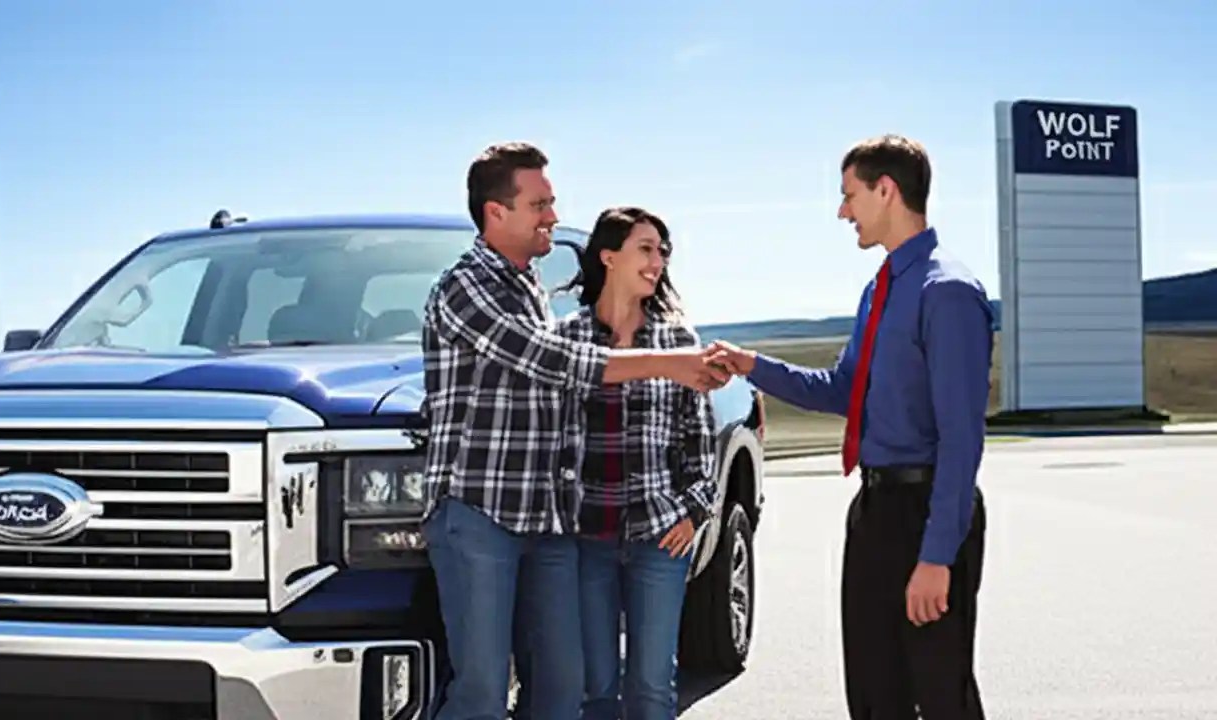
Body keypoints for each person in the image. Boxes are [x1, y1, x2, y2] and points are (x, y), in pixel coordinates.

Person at [420, 142, 727, 720]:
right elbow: (551, 361)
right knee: (482, 693)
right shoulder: (465, 288)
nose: (554, 218)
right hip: (480, 513)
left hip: (552, 522)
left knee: (563, 693)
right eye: (540, 204)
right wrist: (666, 363)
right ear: (496, 212)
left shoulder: (531, 290)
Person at [705, 134, 992, 719]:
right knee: (873, 693)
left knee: (941, 699)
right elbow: (842, 390)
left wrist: (937, 557)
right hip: (875, 512)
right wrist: (752, 365)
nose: (842, 211)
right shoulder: (878, 291)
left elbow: (962, 439)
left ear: (886, 191)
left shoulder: (949, 293)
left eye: (849, 194)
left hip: (929, 512)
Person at [555, 206, 718, 720]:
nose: (658, 261)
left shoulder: (677, 341)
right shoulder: (565, 339)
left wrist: (693, 511)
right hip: (585, 539)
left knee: (651, 687)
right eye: (645, 249)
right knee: (595, 688)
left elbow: (700, 442)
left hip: (657, 536)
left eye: (662, 252)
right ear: (608, 256)